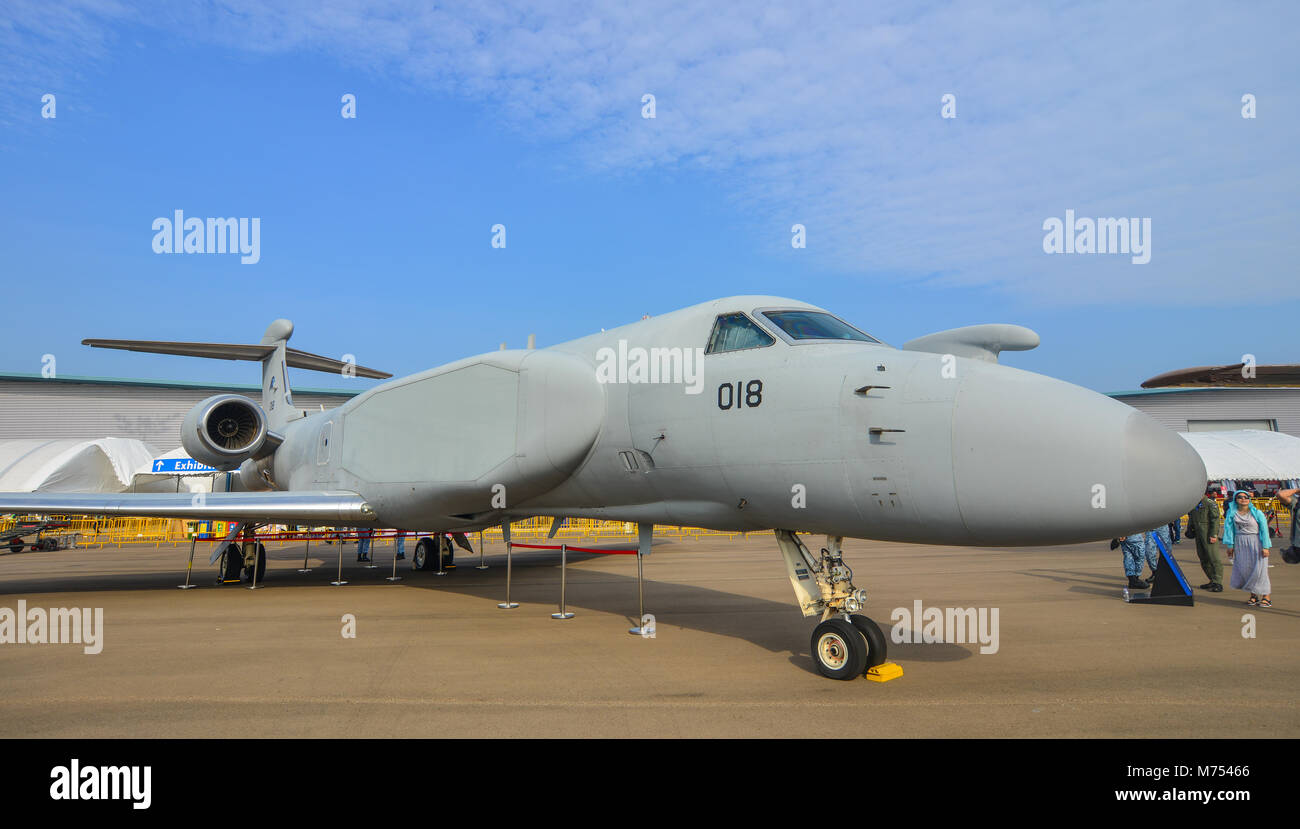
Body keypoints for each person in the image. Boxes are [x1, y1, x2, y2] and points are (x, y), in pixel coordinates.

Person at [1223, 490, 1271, 607]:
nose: (1243, 499)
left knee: (1260, 570)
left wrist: (1265, 547)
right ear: (1235, 499)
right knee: (1246, 569)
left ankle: (1266, 596)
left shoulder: (1257, 513)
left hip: (1255, 542)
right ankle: (1253, 595)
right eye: (1240, 497)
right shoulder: (1232, 513)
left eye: (1246, 497)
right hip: (1240, 543)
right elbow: (1229, 530)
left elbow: (1264, 530)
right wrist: (1230, 546)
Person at [1185, 491, 1224, 592]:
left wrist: (1213, 534)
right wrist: (1190, 529)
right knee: (1203, 558)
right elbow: (1191, 518)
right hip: (1199, 534)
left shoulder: (1209, 503)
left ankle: (1218, 582)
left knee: (1213, 558)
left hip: (1208, 533)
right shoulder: (1194, 504)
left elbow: (1215, 520)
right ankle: (1212, 579)